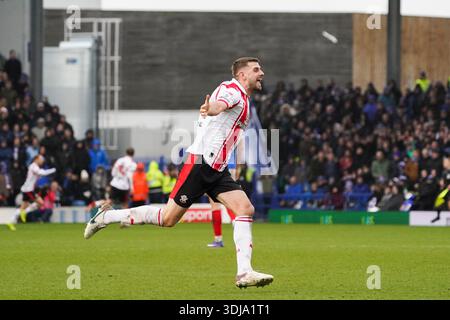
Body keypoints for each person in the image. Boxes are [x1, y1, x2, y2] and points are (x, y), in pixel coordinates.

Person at [84, 57, 273, 288]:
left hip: (218, 169)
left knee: (245, 208)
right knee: (167, 218)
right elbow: (219, 104)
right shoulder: (231, 89)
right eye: (256, 69)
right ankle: (106, 217)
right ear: (243, 75)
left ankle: (244, 273)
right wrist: (211, 108)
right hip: (200, 164)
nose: (261, 72)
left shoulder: (243, 98)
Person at [9, 155, 56, 228]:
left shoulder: (34, 167)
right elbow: (42, 173)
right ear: (36, 159)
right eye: (41, 159)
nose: (42, 161)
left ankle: (11, 222)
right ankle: (24, 212)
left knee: (23, 206)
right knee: (41, 203)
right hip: (28, 190)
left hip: (27, 189)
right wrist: (53, 170)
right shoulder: (33, 166)